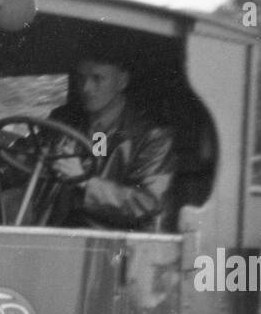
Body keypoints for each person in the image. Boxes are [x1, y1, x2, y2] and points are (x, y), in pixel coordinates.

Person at [47, 51, 176, 232]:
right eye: (81, 78)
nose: (86, 88)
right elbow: (29, 155)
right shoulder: (64, 119)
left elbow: (147, 202)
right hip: (57, 229)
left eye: (97, 78)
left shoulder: (152, 135)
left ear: (122, 81)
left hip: (114, 244)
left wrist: (85, 182)